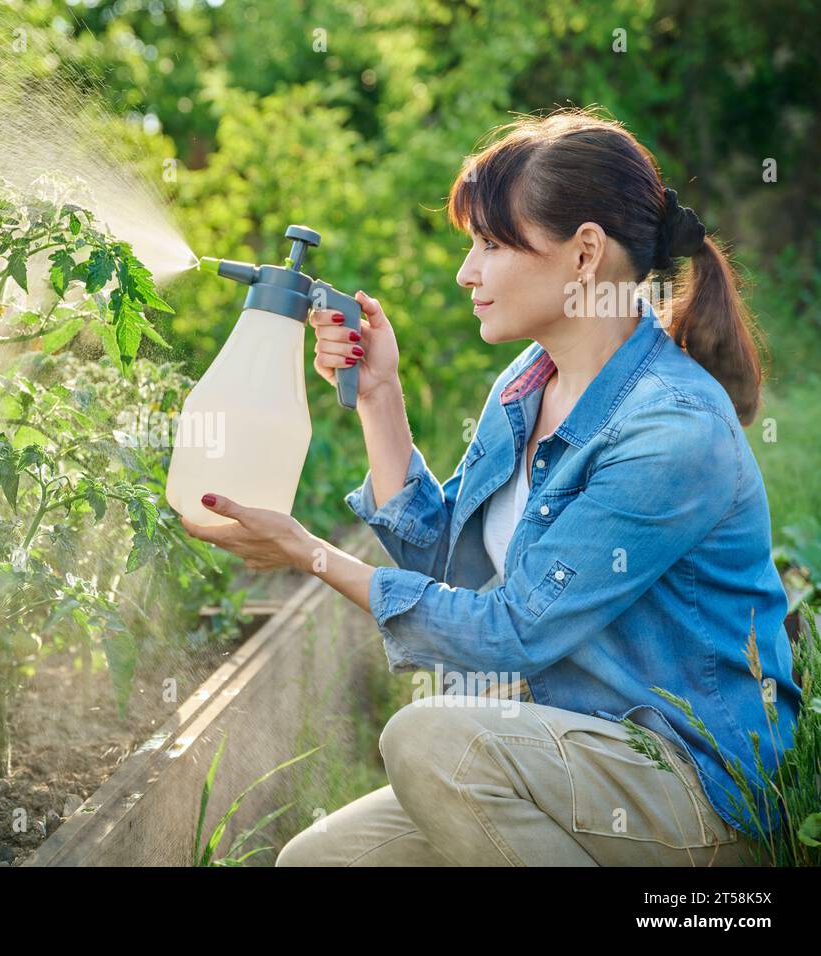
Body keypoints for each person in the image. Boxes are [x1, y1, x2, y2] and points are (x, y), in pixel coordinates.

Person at [179, 107, 802, 866]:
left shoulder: (670, 430)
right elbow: (456, 577)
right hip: (572, 745)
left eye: (491, 245)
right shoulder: (527, 383)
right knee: (318, 862)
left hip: (693, 790)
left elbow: (508, 635)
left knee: (430, 737)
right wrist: (381, 397)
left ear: (584, 255)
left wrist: (310, 554)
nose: (466, 272)